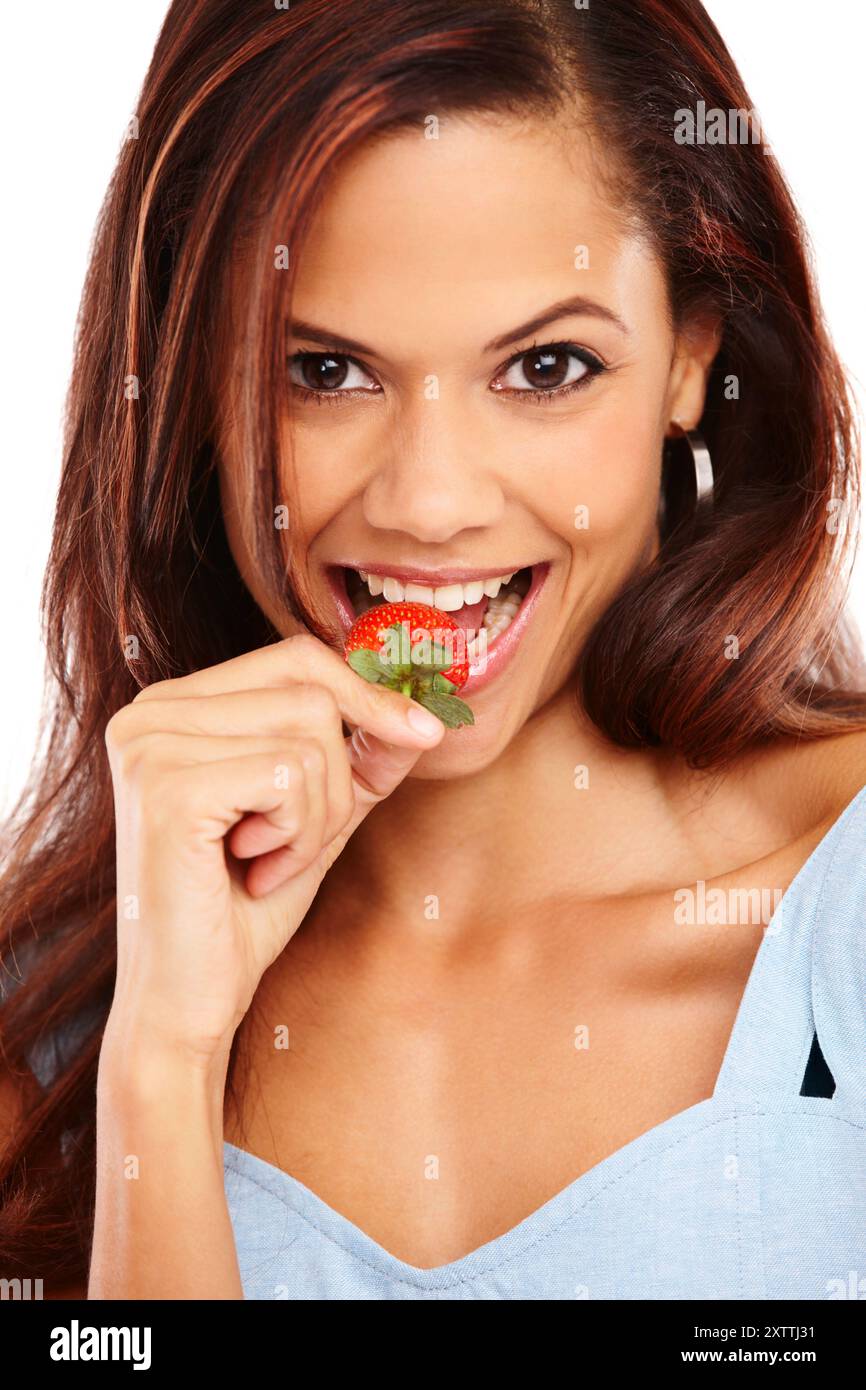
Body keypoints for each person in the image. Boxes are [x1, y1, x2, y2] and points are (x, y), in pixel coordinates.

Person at [2, 0, 865, 1301]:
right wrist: (163, 1067)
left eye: (545, 365)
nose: (430, 502)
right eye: (325, 371)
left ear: (692, 351)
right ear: (200, 380)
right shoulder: (53, 1027)